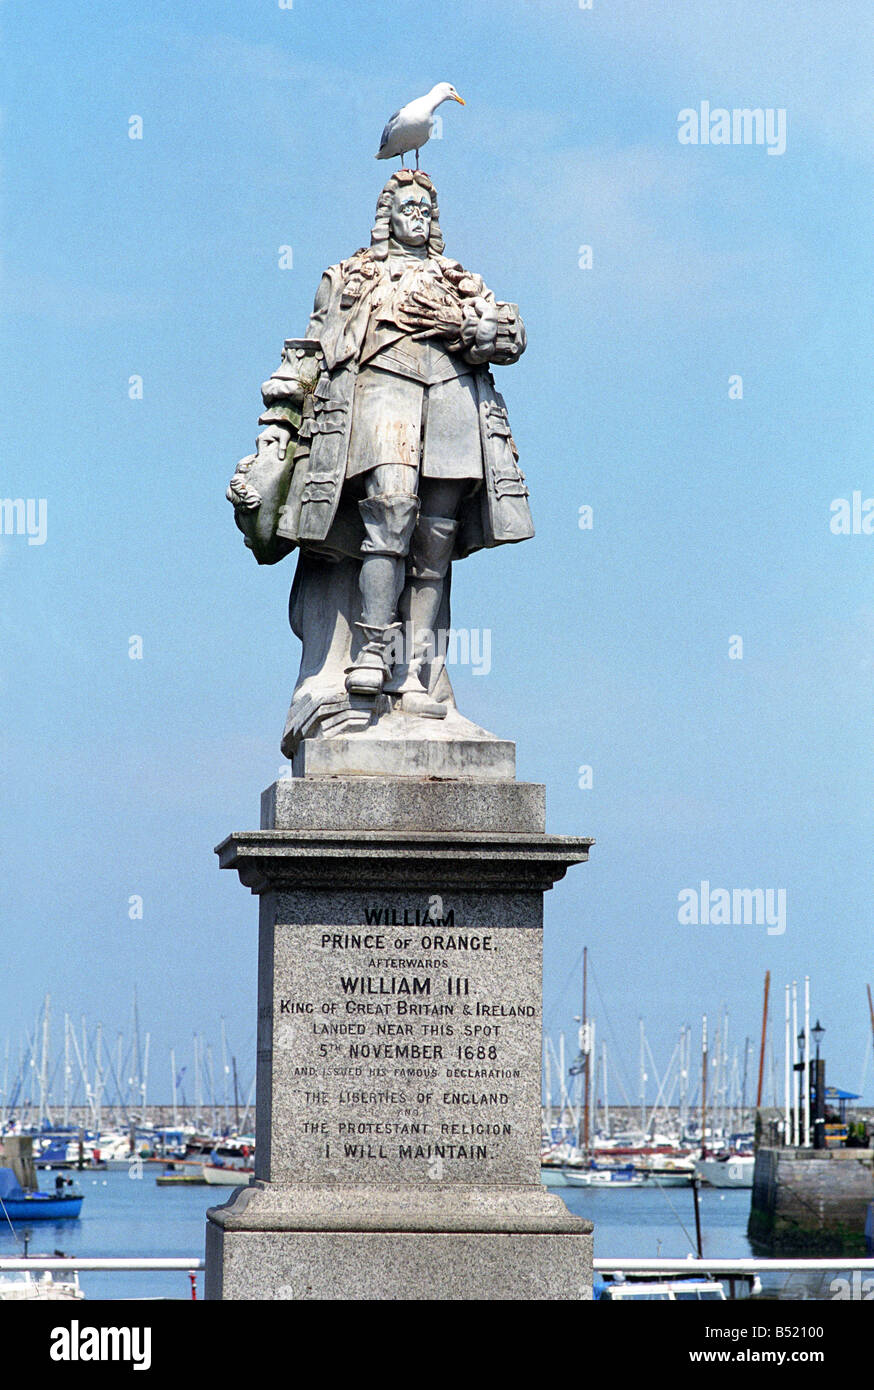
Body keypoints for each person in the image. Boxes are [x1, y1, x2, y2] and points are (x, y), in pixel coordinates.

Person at [229, 170, 532, 751]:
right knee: (389, 509)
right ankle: (371, 650)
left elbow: (511, 337)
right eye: (407, 205)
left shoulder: (459, 280)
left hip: (450, 396)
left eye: (426, 208)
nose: (417, 215)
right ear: (387, 212)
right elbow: (307, 355)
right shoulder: (348, 275)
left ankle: (416, 676)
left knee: (434, 542)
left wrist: (459, 324)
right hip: (382, 391)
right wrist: (273, 438)